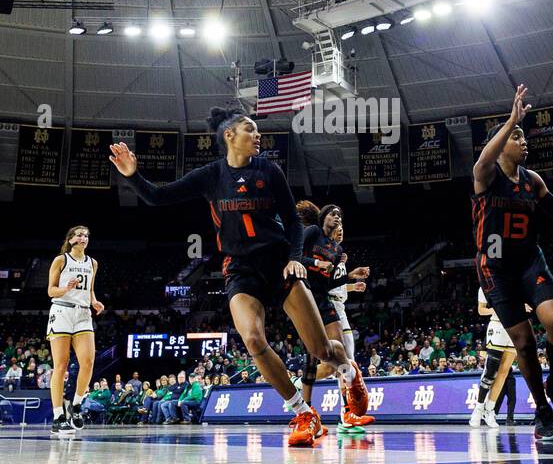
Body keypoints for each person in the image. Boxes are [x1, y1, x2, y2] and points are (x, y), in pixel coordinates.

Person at [109, 109, 354, 446]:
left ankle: (350, 374)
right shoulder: (211, 176)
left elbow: (294, 222)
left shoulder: (269, 170)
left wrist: (296, 259)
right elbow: (157, 196)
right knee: (253, 340)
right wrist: (133, 175)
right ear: (229, 135)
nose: (258, 136)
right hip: (240, 270)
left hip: (278, 263)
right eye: (250, 129)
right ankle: (303, 413)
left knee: (322, 349)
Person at [471, 85, 553, 442]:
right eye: (517, 138)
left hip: (528, 259)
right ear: (501, 143)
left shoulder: (532, 180)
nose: (524, 142)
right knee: (523, 343)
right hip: (495, 267)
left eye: (522, 137)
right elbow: (481, 161)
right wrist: (511, 121)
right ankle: (541, 409)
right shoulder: (487, 176)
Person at [295, 202, 371, 430]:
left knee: (337, 350)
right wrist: (317, 262)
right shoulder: (312, 232)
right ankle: (307, 411)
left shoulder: (337, 251)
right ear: (323, 218)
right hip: (304, 295)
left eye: (340, 215)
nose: (337, 217)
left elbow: (330, 282)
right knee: (312, 357)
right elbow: (295, 257)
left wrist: (349, 276)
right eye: (333, 214)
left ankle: (349, 399)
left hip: (323, 298)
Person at [46, 225, 104, 436]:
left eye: (86, 235)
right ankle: (57, 416)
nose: (83, 238)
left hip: (82, 314)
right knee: (60, 366)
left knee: (88, 362)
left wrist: (95, 302)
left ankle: (76, 405)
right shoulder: (61, 260)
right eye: (79, 235)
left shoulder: (93, 263)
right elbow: (51, 290)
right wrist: (66, 289)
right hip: (61, 311)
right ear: (71, 239)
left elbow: (90, 290)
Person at [326, 218, 374, 429]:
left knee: (342, 363)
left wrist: (353, 286)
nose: (341, 231)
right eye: (337, 228)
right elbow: (327, 284)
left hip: (339, 305)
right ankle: (347, 413)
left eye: (343, 228)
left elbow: (337, 284)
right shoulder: (329, 253)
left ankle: (347, 414)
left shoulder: (340, 254)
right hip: (330, 307)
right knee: (345, 362)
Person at [469, 287, 518, 428]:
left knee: (503, 373)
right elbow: (481, 310)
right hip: (497, 326)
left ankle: (489, 410)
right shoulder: (485, 286)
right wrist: (496, 310)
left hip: (514, 327)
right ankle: (478, 408)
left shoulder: (516, 282)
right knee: (491, 372)